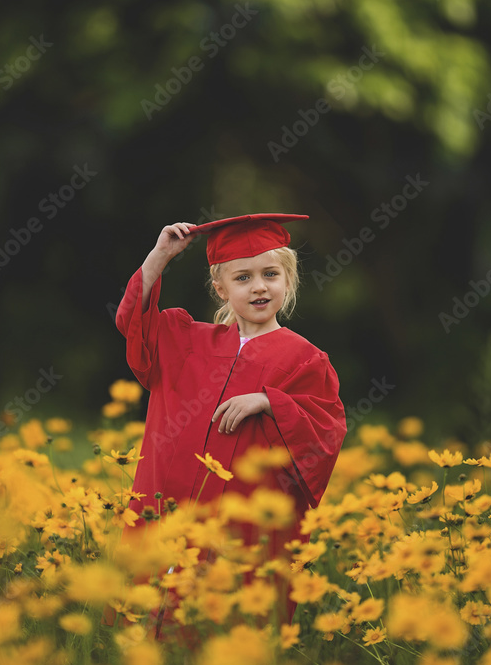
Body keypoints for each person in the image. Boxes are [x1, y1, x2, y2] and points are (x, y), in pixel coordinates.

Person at [100, 214, 347, 639]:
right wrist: (159, 257)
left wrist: (272, 401)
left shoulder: (305, 359)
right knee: (147, 623)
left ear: (288, 280)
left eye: (271, 274)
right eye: (243, 277)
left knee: (221, 627)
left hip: (239, 521)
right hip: (169, 510)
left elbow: (326, 430)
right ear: (221, 288)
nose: (259, 286)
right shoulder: (185, 342)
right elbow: (133, 323)